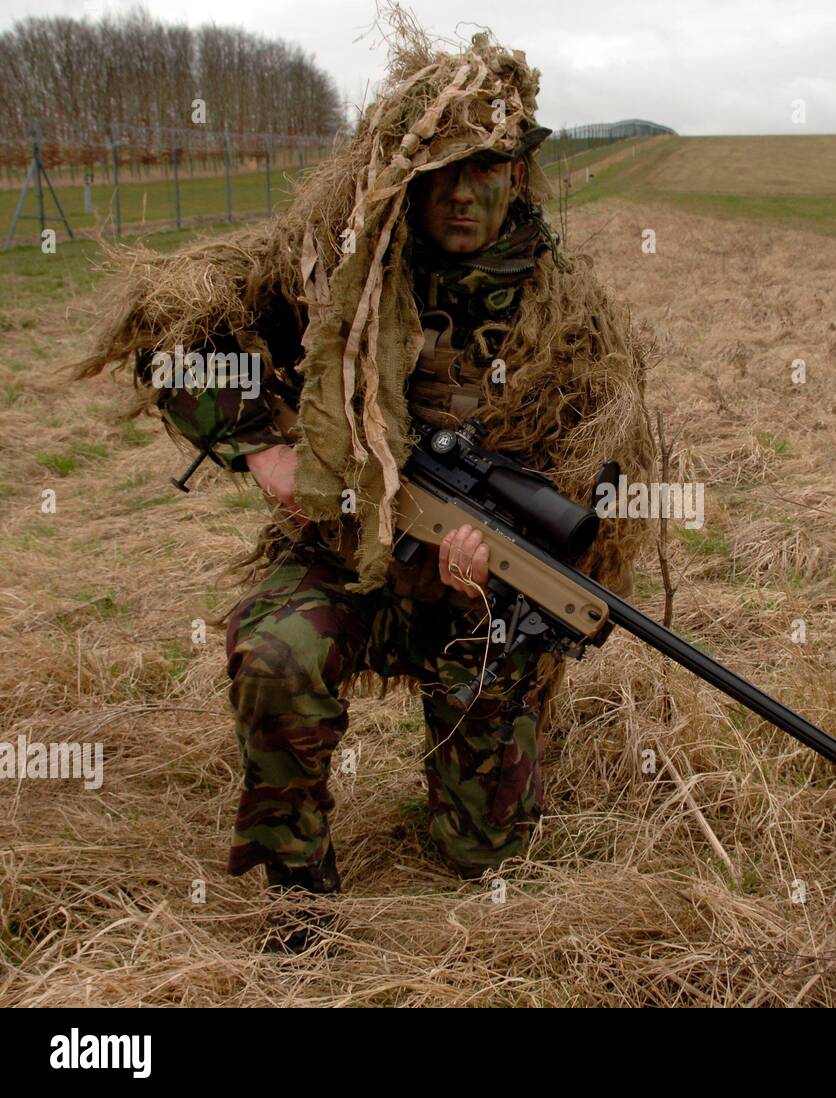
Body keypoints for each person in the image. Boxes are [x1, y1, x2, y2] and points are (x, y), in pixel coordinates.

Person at [74, 23, 654, 944]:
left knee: (481, 855)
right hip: (341, 555)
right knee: (277, 652)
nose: (463, 194)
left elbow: (602, 492)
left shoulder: (569, 321)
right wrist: (264, 446)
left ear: (519, 175)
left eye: (487, 169)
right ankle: (298, 887)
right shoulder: (333, 268)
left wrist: (492, 570)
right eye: (440, 172)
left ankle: (513, 742)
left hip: (475, 598)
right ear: (405, 176)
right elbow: (172, 333)